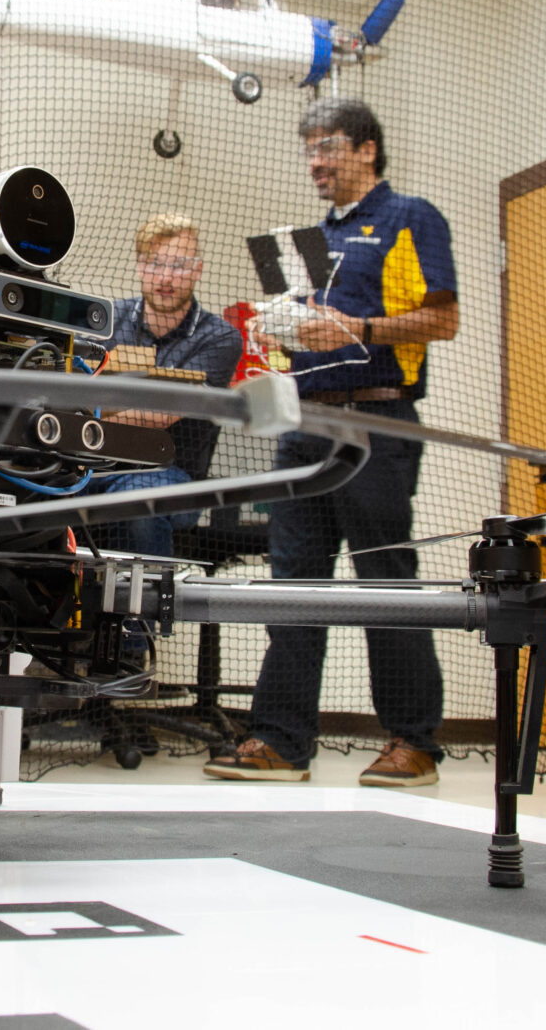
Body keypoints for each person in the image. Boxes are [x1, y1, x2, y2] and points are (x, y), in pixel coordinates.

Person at [205, 97, 459, 787]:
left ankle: (414, 743)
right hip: (304, 423)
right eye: (308, 148)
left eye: (328, 146)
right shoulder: (305, 244)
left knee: (385, 581)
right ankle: (281, 740)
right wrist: (276, 329)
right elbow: (311, 333)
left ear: (367, 149)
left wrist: (362, 329)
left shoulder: (412, 217)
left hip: (375, 422)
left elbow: (444, 319)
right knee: (294, 584)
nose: (315, 160)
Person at [91, 214, 242, 557]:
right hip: (95, 465)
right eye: (155, 263)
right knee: (38, 497)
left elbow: (162, 415)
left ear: (198, 269)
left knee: (138, 503)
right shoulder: (108, 322)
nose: (166, 277)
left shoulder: (219, 338)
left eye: (180, 265)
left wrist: (86, 415)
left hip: (169, 476)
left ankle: (141, 609)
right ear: (140, 266)